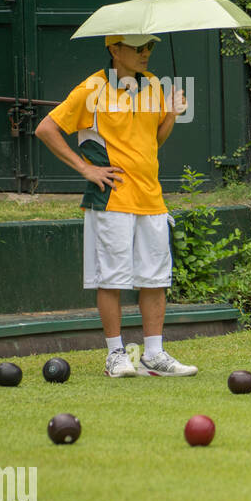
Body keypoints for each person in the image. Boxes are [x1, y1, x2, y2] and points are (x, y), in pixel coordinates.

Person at [34, 34, 198, 378]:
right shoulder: (91, 88)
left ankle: (153, 355)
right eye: (138, 48)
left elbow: (153, 140)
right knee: (111, 280)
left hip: (151, 198)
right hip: (111, 199)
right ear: (114, 49)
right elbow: (45, 128)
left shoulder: (153, 85)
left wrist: (171, 114)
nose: (145, 54)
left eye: (149, 47)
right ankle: (115, 356)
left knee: (155, 279)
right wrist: (84, 168)